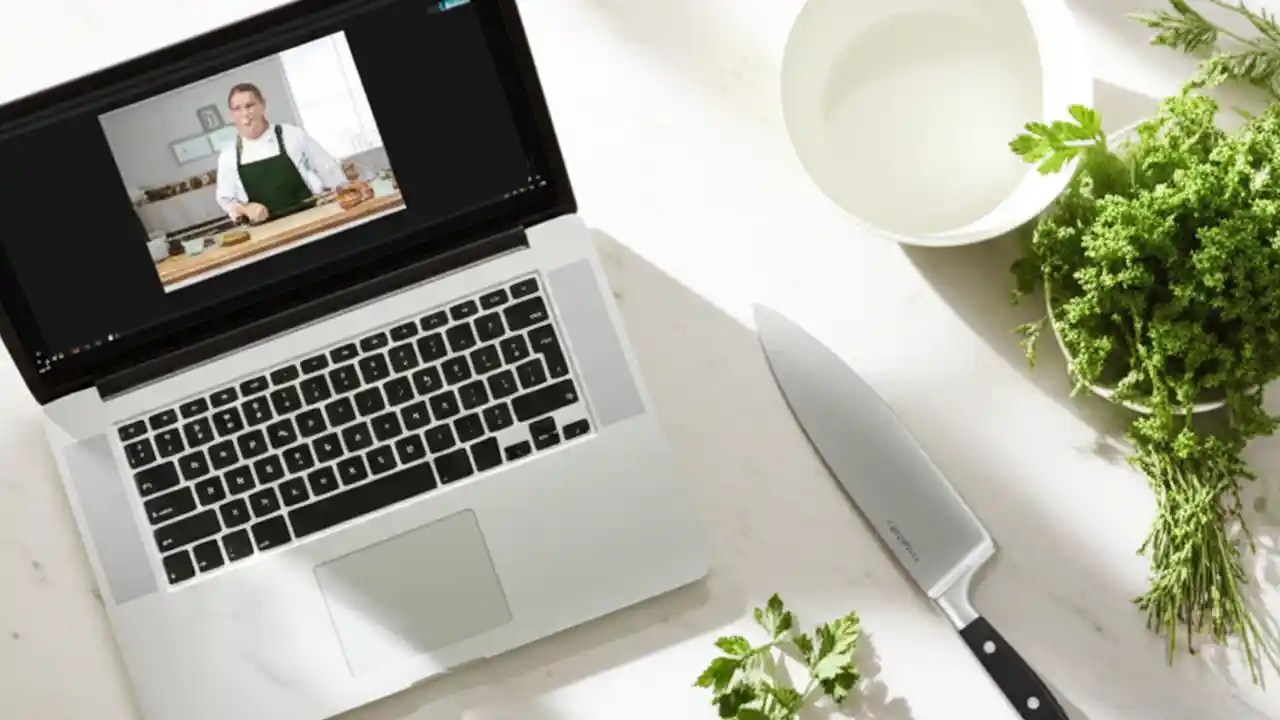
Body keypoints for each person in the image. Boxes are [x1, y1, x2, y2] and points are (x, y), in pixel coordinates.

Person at [214, 82, 348, 224]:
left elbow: (330, 170)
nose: (245, 114)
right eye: (237, 109)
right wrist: (245, 209)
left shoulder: (293, 135)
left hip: (313, 218)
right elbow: (226, 201)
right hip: (267, 229)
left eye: (249, 106)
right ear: (231, 115)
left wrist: (344, 194)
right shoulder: (228, 156)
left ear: (263, 105)